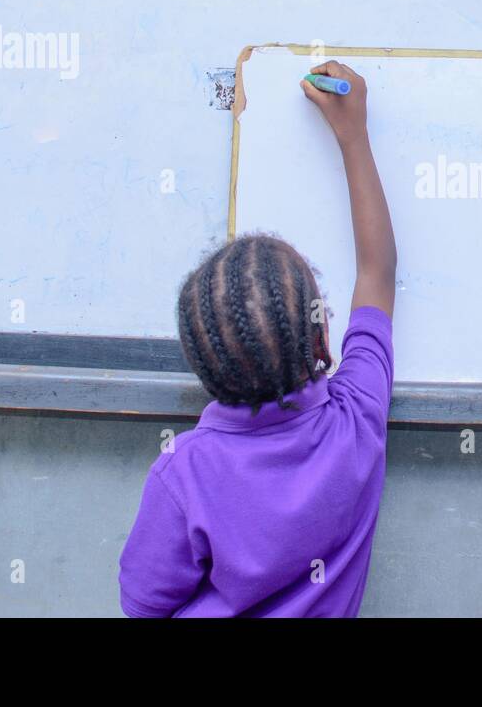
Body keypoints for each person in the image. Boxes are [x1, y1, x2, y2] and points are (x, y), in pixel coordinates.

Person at [118, 60, 397, 617]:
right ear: (323, 343)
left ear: (202, 365)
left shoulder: (186, 470)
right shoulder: (356, 421)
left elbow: (143, 606)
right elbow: (377, 272)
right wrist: (354, 135)